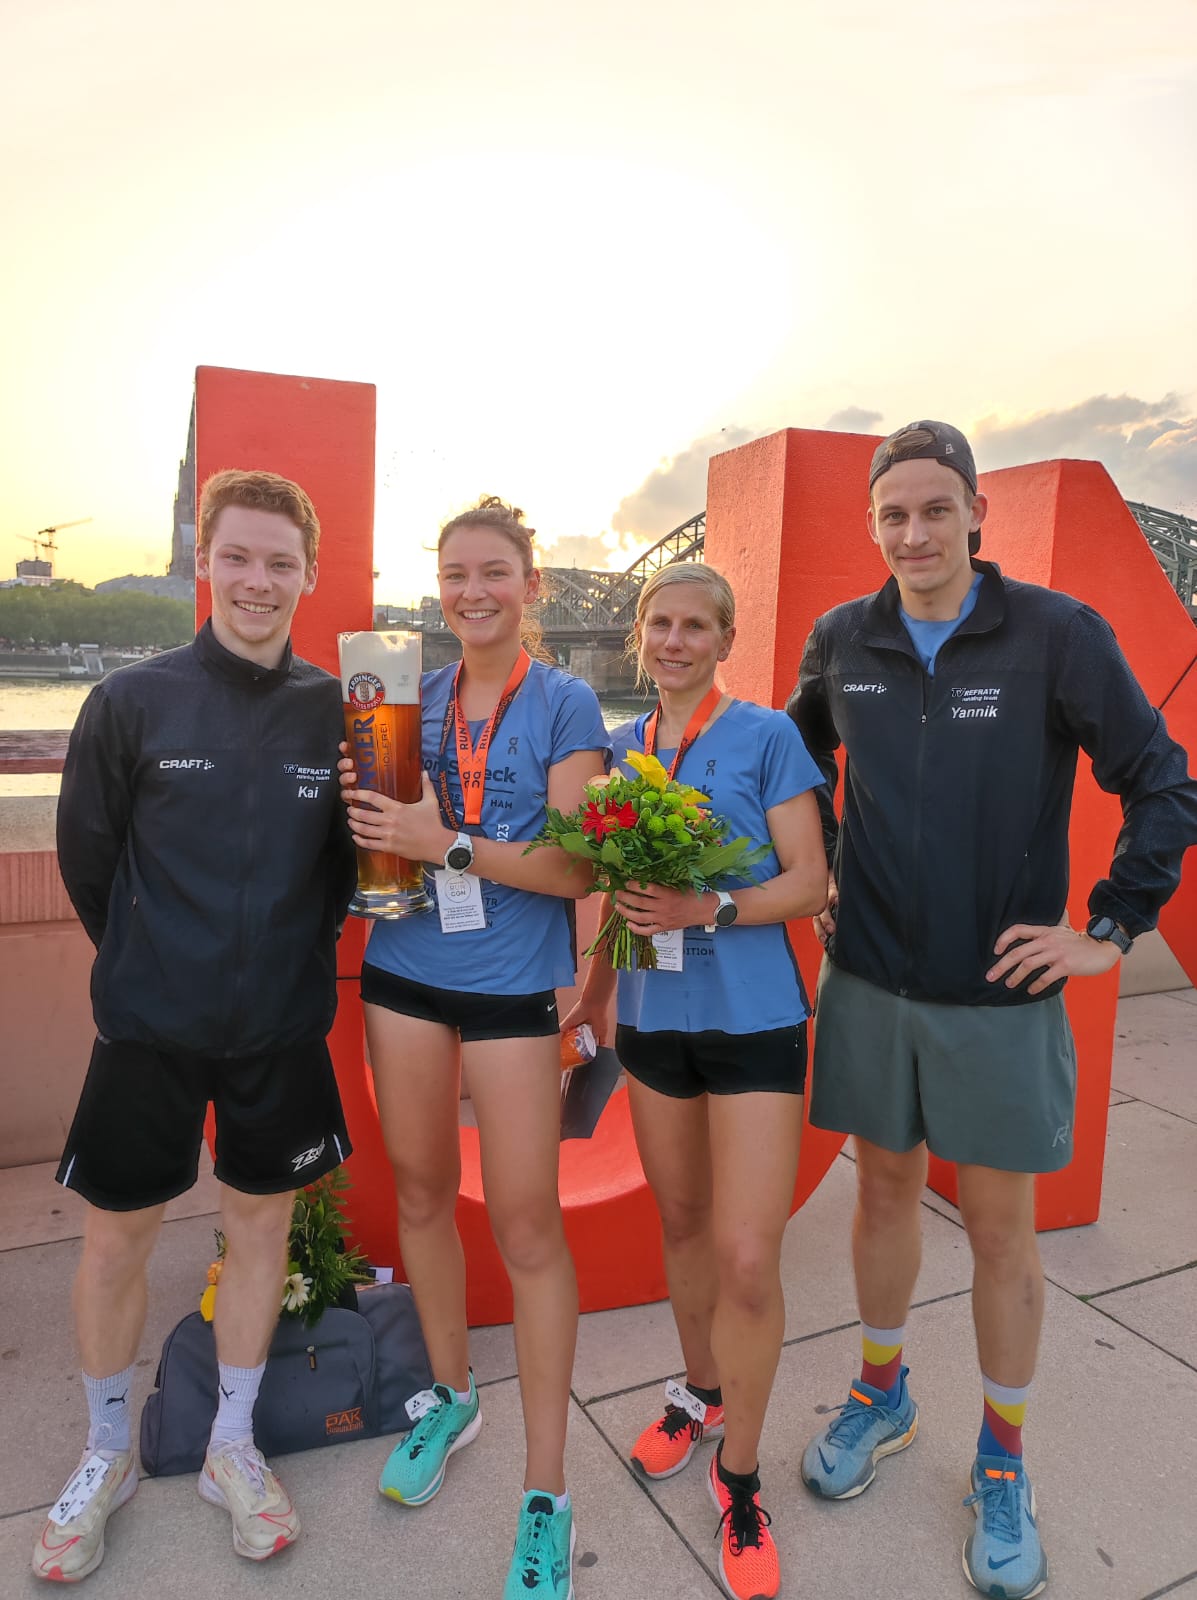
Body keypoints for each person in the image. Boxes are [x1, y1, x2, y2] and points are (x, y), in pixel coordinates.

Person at [788, 421, 1197, 1599]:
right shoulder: (844, 638)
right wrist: (822, 866)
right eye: (893, 513)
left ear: (977, 513)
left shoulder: (1056, 634)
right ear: (873, 524)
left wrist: (1106, 930)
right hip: (869, 979)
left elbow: (1164, 783)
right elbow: (790, 768)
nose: (914, 532)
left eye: (935, 509)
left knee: (1003, 1233)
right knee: (881, 1191)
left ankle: (1003, 1459)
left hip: (999, 994)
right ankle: (883, 1392)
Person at [37, 469, 356, 1581]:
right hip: (149, 1030)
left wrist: (285, 961)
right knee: (116, 1240)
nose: (258, 580)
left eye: (280, 562)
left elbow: (343, 870)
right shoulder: (131, 701)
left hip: (279, 1027)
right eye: (238, 557)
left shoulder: (336, 710)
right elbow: (88, 863)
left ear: (307, 575)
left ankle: (231, 1444)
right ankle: (107, 1452)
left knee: (259, 1233)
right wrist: (151, 959)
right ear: (204, 565)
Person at [338, 496, 608, 1600]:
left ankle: (546, 1492)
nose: (472, 591)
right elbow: (383, 827)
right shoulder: (414, 693)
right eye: (455, 574)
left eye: (494, 572)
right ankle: (452, 1397)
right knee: (418, 1192)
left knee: (528, 1225)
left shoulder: (567, 701)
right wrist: (371, 817)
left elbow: (576, 869)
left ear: (531, 585)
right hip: (405, 967)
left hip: (509, 991)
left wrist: (444, 840)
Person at [563, 562, 828, 1600]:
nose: (674, 641)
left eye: (694, 626)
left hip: (754, 1022)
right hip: (653, 1024)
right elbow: (618, 892)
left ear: (725, 639)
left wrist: (708, 908)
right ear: (640, 635)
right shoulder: (618, 752)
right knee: (679, 1224)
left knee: (748, 1255)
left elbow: (809, 880)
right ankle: (701, 1391)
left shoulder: (766, 735)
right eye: (659, 623)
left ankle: (742, 1476)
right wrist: (594, 995)